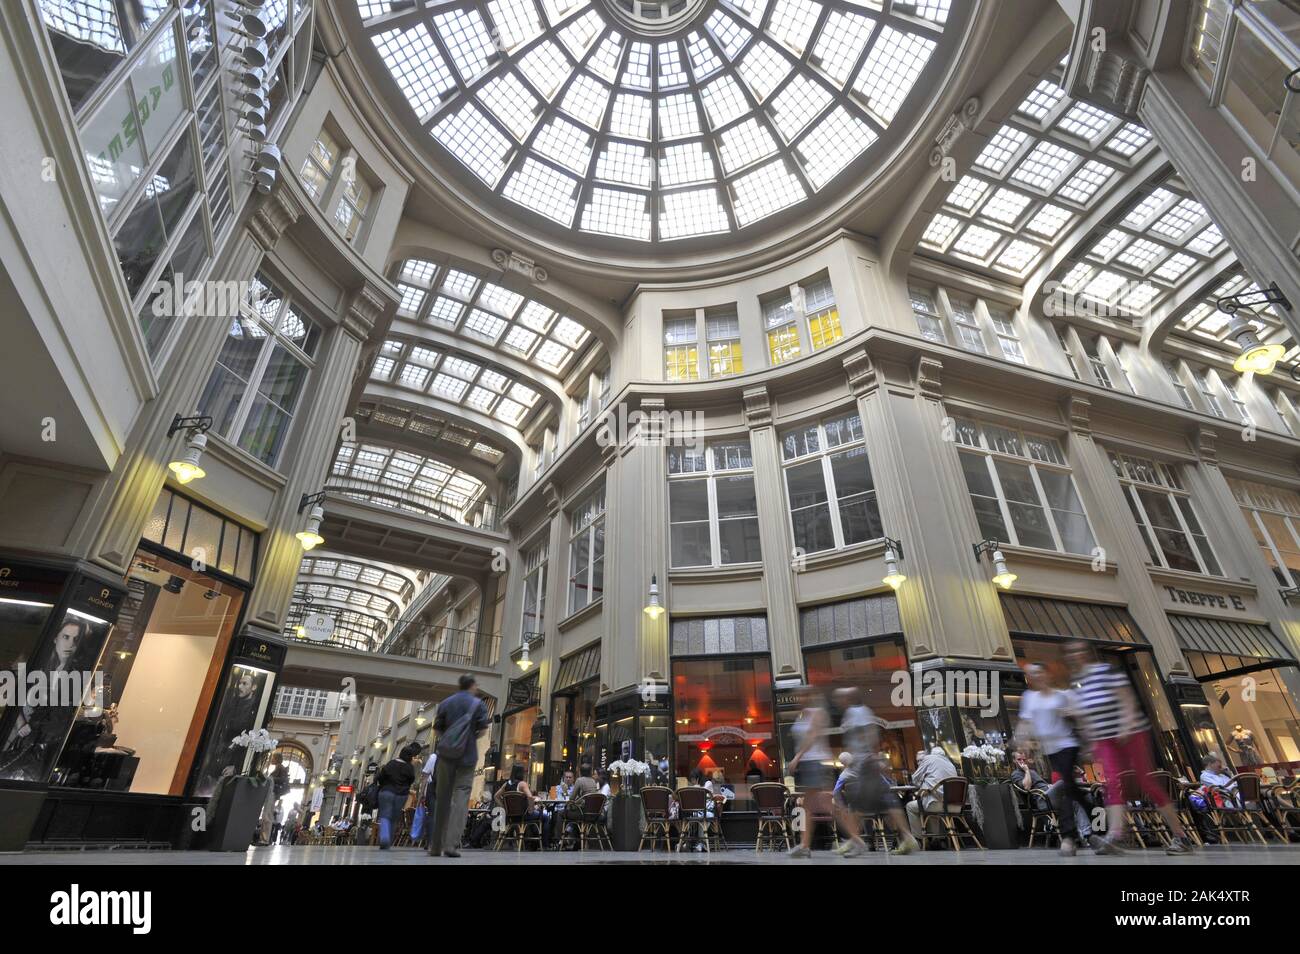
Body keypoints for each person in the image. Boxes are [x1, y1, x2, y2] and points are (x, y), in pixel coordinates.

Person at [1064, 640, 1193, 855]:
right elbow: (1084, 716)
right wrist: (1089, 740)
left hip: (1131, 732)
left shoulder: (1107, 670)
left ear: (1087, 653)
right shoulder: (1078, 683)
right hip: (1104, 738)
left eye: (1078, 650)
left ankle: (1181, 837)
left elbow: (1127, 700)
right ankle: (1115, 836)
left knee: (1145, 781)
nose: (1074, 655)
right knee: (1112, 783)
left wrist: (1126, 724)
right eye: (1071, 652)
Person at [1015, 662, 1094, 856]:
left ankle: (1068, 837)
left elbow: (1081, 718)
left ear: (1047, 674)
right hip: (1050, 750)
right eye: (1031, 674)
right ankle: (1096, 820)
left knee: (1067, 787)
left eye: (1038, 672)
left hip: (1068, 745)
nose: (1035, 677)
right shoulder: (1029, 698)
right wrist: (1019, 741)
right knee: (1073, 789)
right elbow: (1025, 723)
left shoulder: (1063, 695)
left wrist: (1074, 717)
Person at [832, 686, 917, 857]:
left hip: (865, 763)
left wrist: (873, 756)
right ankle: (907, 837)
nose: (838, 701)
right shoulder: (857, 712)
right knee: (885, 801)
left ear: (849, 699)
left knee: (856, 805)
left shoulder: (856, 712)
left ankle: (856, 841)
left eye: (841, 698)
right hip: (865, 763)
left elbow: (869, 733)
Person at [429, 674, 490, 858]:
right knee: (461, 799)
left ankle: (435, 845)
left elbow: (437, 729)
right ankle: (451, 844)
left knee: (442, 800)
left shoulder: (446, 703)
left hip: (446, 757)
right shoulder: (478, 704)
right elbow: (483, 729)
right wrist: (467, 739)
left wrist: (450, 740)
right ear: (471, 686)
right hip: (467, 757)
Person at [786, 688, 833, 858]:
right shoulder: (802, 714)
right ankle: (804, 845)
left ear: (810, 696)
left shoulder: (816, 713)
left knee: (826, 805)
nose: (799, 698)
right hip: (808, 764)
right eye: (799, 695)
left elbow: (812, 736)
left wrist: (797, 757)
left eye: (803, 695)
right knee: (808, 807)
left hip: (814, 762)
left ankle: (855, 837)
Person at [907, 746, 959, 839]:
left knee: (911, 806)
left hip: (937, 804)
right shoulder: (951, 764)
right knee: (930, 801)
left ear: (931, 754)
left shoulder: (929, 759)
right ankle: (937, 839)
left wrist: (924, 781)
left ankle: (919, 839)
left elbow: (915, 779)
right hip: (955, 806)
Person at [375, 741, 420, 849]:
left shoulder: (391, 763)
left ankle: (384, 837)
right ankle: (389, 841)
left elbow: (380, 777)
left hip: (387, 792)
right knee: (394, 818)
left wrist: (384, 785)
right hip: (402, 795)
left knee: (385, 815)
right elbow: (411, 780)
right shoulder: (409, 768)